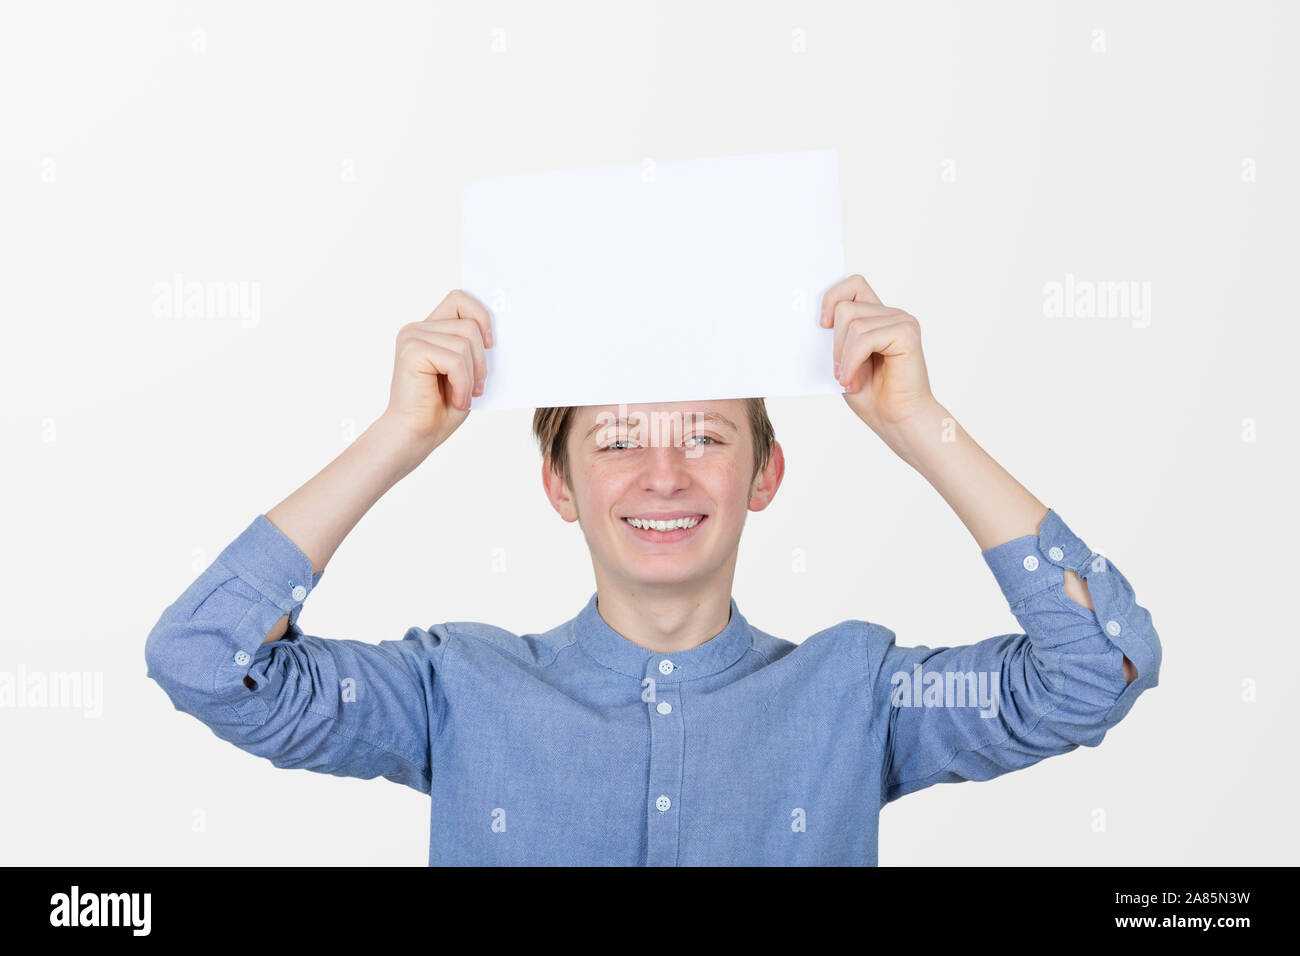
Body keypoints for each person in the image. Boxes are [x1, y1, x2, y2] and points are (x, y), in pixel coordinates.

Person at [144, 275, 1161, 865]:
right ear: (559, 484)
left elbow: (1094, 671)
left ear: (764, 473)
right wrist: (401, 434)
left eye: (708, 438)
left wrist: (915, 423)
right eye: (620, 439)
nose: (665, 474)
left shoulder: (860, 693)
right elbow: (201, 657)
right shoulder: (455, 686)